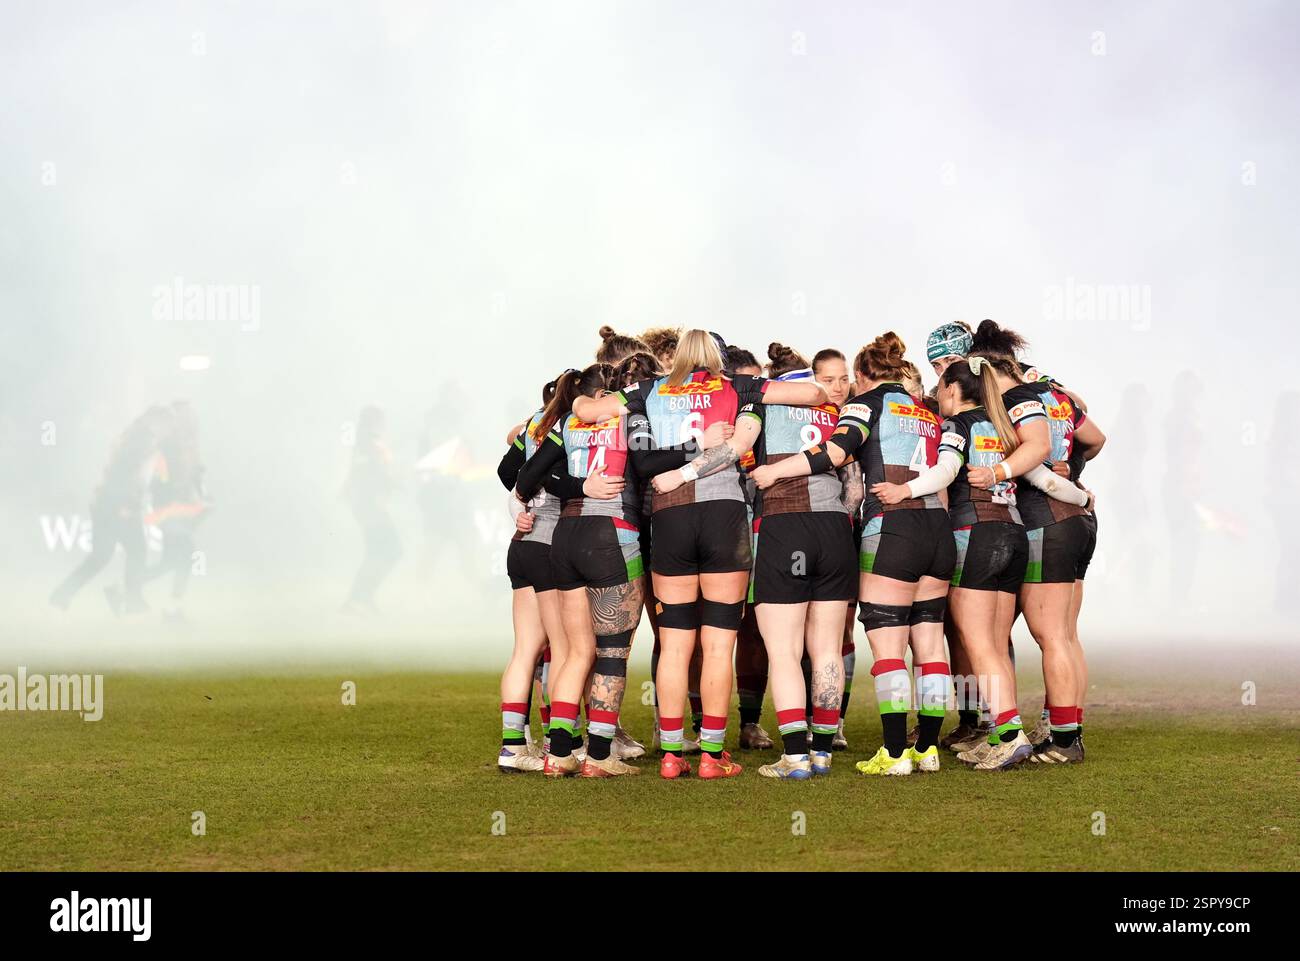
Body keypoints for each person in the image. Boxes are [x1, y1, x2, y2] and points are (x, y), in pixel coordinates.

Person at [574, 330, 828, 779]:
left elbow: (585, 408)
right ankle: (712, 755)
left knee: (674, 644)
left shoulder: (648, 389)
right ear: (717, 357)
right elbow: (814, 392)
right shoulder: (738, 386)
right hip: (723, 518)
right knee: (718, 645)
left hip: (670, 519)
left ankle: (671, 755)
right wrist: (745, 393)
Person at [750, 332, 953, 776]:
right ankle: (926, 749)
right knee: (930, 645)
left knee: (885, 646)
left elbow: (837, 452)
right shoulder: (928, 409)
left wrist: (776, 470)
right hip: (938, 530)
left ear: (861, 376)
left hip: (892, 528)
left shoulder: (865, 403)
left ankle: (885, 753)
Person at [515, 364, 646, 777]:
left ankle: (558, 755)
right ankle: (600, 758)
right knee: (610, 654)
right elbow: (649, 467)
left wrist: (577, 486)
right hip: (612, 536)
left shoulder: (570, 420)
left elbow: (528, 475)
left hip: (566, 536)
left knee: (574, 652)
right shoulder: (635, 414)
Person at [741, 344, 857, 779]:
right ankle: (823, 751)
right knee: (827, 648)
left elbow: (739, 458)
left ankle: (794, 758)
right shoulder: (833, 412)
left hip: (783, 525)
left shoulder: (762, 408)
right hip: (834, 528)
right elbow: (852, 480)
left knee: (784, 651)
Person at [51, 405, 174, 614]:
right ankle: (132, 601)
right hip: (116, 506)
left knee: (103, 556)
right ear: (157, 421)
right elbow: (123, 473)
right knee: (133, 551)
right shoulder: (141, 440)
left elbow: (133, 474)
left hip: (111, 504)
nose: (169, 430)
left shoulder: (140, 437)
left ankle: (63, 595)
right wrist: (125, 505)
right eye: (167, 425)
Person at [142, 401, 210, 621]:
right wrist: (176, 490)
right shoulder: (169, 446)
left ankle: (126, 590)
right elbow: (161, 479)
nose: (191, 419)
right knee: (185, 551)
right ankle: (174, 607)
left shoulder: (187, 445)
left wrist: (200, 493)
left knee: (171, 561)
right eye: (186, 415)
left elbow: (194, 475)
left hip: (179, 509)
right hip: (168, 509)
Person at [342, 406, 401, 613]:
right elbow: (370, 473)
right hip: (370, 507)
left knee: (381, 551)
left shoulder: (366, 442)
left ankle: (362, 597)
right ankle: (357, 598)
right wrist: (392, 482)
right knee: (388, 549)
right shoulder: (369, 443)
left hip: (369, 505)